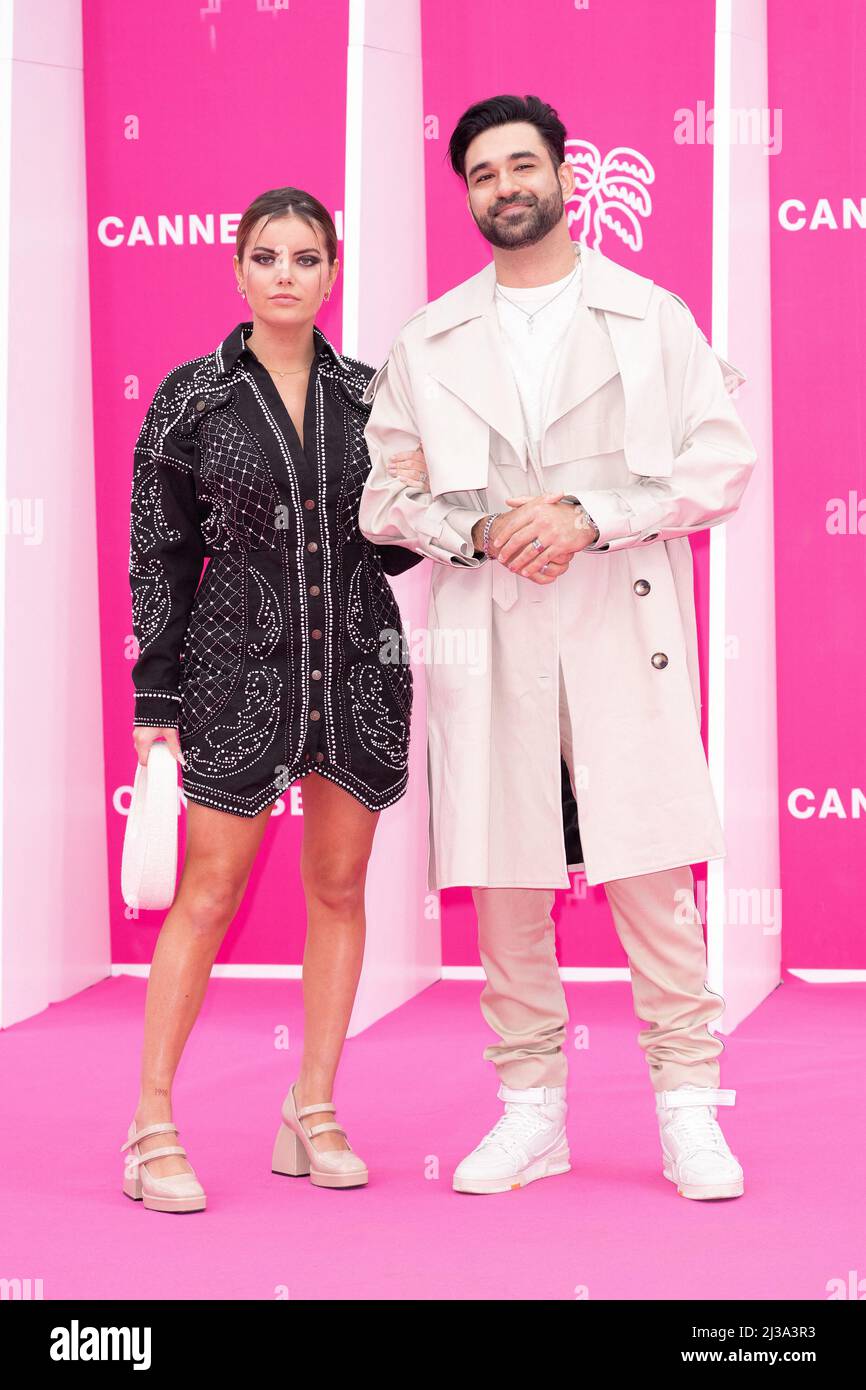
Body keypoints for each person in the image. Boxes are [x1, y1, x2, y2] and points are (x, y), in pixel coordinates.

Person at [358, 94, 757, 1200]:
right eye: (481, 173)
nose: (503, 187)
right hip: (491, 626)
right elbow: (381, 496)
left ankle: (689, 1110)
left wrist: (588, 513)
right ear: (467, 193)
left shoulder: (649, 316)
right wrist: (475, 528)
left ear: (564, 174)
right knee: (504, 884)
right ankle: (530, 1113)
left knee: (649, 879)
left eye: (520, 165)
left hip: (618, 621)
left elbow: (718, 466)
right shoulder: (429, 339)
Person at [122, 187, 421, 1212]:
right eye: (267, 257)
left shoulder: (375, 395)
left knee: (339, 888)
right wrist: (152, 698)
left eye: (306, 257)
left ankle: (313, 1105)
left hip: (354, 671)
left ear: (332, 270)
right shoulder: (191, 397)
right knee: (208, 895)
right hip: (229, 674)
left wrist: (430, 504)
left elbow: (392, 540)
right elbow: (159, 554)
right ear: (238, 270)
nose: (286, 274)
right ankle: (151, 1121)